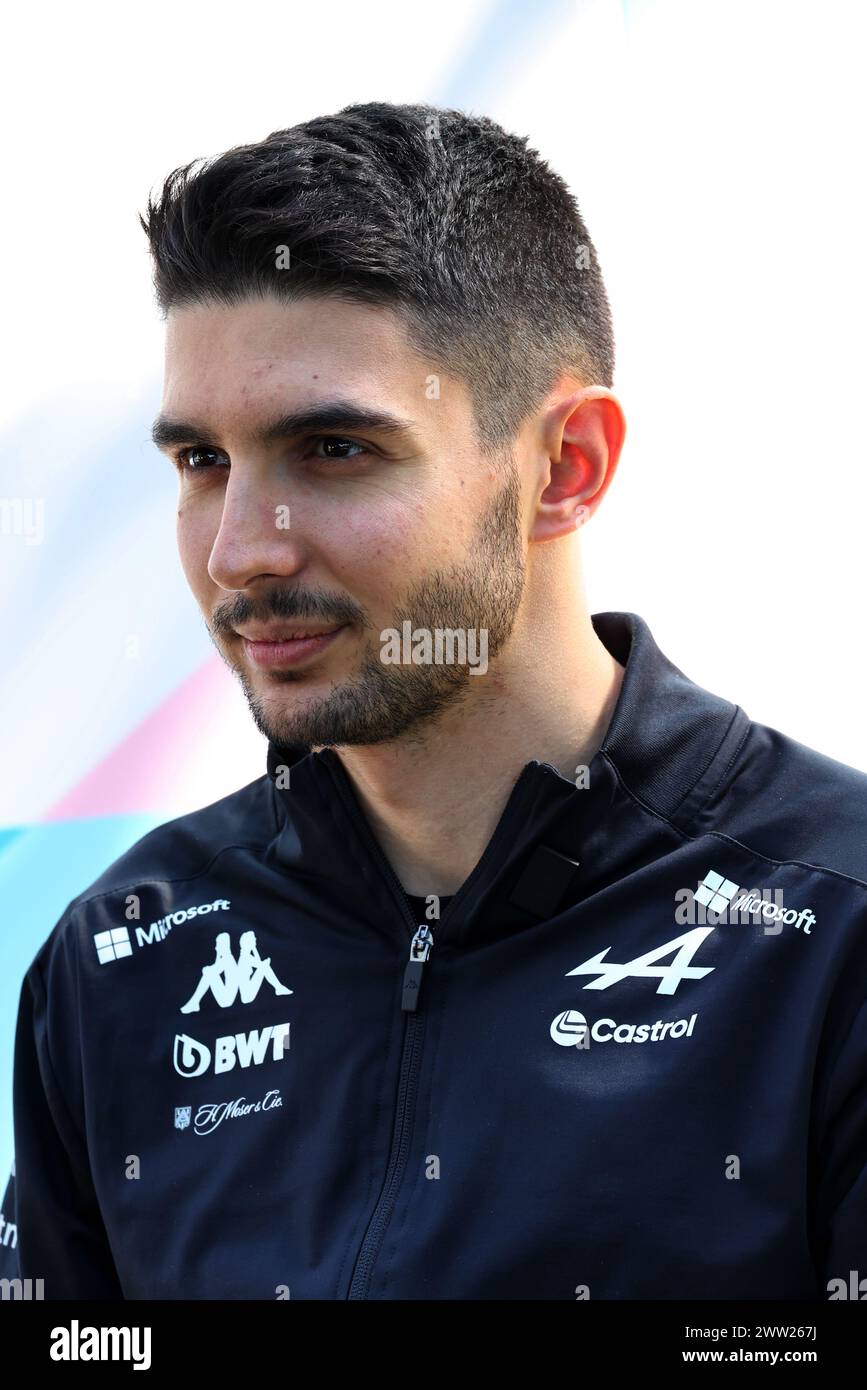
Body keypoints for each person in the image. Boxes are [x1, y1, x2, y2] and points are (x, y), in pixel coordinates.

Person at [1, 101, 865, 1301]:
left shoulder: (833, 929)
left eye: (335, 451)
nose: (241, 551)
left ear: (565, 468)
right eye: (203, 462)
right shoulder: (117, 960)